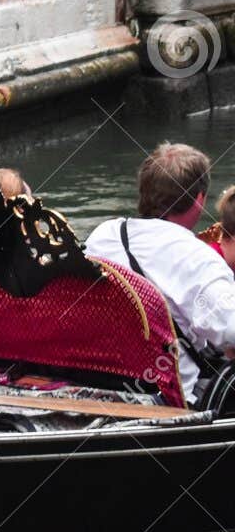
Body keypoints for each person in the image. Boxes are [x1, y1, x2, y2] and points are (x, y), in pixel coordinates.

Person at [85, 142, 235, 408]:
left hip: (102, 375)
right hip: (171, 397)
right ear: (199, 200)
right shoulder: (199, 259)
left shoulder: (104, 235)